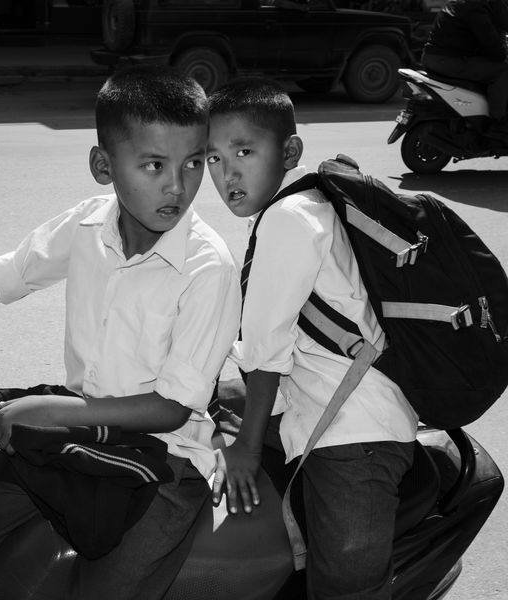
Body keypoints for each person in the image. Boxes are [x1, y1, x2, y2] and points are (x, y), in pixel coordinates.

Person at [0, 64, 241, 599]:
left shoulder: (207, 267)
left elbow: (171, 409)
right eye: (154, 164)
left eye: (194, 163)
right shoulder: (87, 225)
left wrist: (50, 410)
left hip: (167, 465)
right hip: (84, 438)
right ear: (104, 166)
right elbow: (5, 275)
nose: (178, 186)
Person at [205, 77, 418, 600]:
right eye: (211, 158)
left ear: (290, 150)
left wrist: (247, 451)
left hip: (354, 442)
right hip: (333, 409)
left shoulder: (288, 217)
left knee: (345, 592)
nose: (227, 172)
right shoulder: (309, 204)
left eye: (244, 151)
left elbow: (265, 348)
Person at [421, 0, 508, 133]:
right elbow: (490, 43)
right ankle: (497, 124)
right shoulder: (475, 8)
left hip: (434, 58)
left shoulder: (459, 2)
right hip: (448, 61)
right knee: (503, 70)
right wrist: (502, 54)